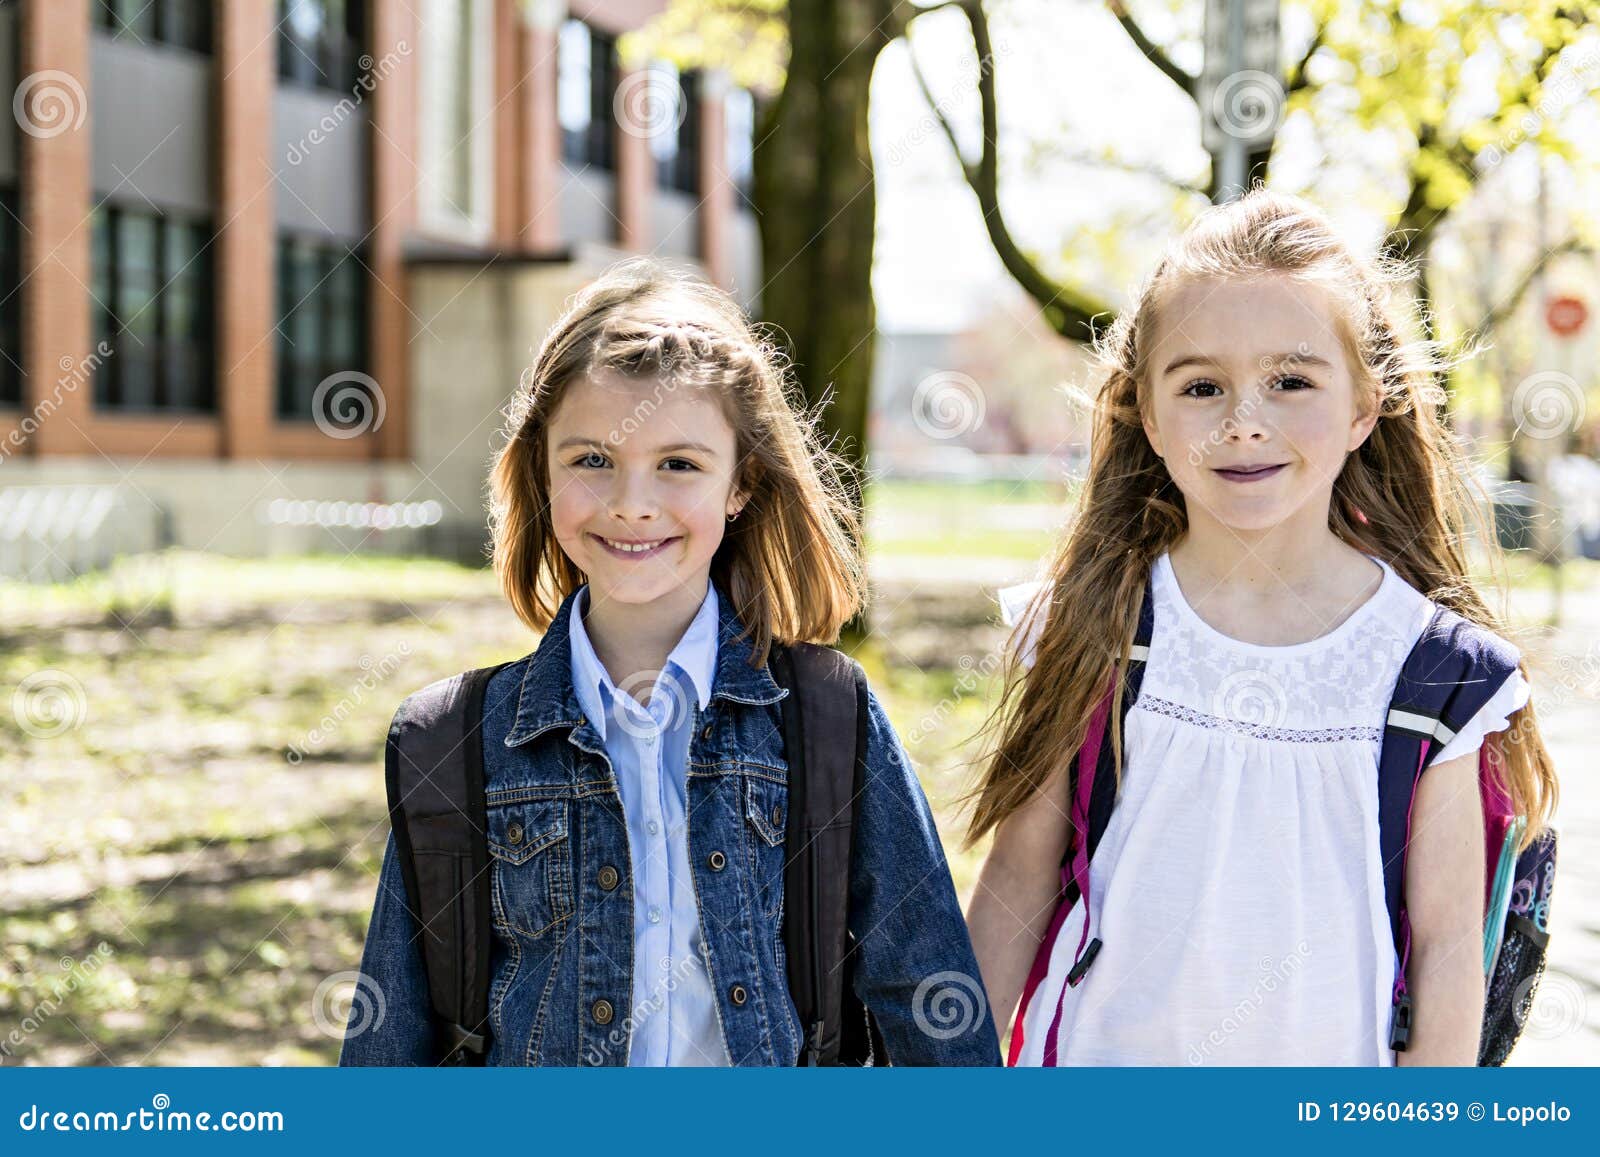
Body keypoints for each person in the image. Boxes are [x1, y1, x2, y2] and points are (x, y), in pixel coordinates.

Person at [341, 258, 998, 1066]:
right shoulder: (453, 740)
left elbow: (935, 1009)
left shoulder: (829, 718)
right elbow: (388, 1046)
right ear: (541, 469)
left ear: (741, 483)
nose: (631, 503)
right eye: (591, 460)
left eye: (678, 464)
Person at [964, 190, 1558, 1067]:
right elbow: (1016, 879)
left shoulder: (1437, 674)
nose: (1244, 420)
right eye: (1202, 386)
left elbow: (1445, 949)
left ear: (1363, 407)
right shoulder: (1093, 624)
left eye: (1291, 381)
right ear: (1149, 416)